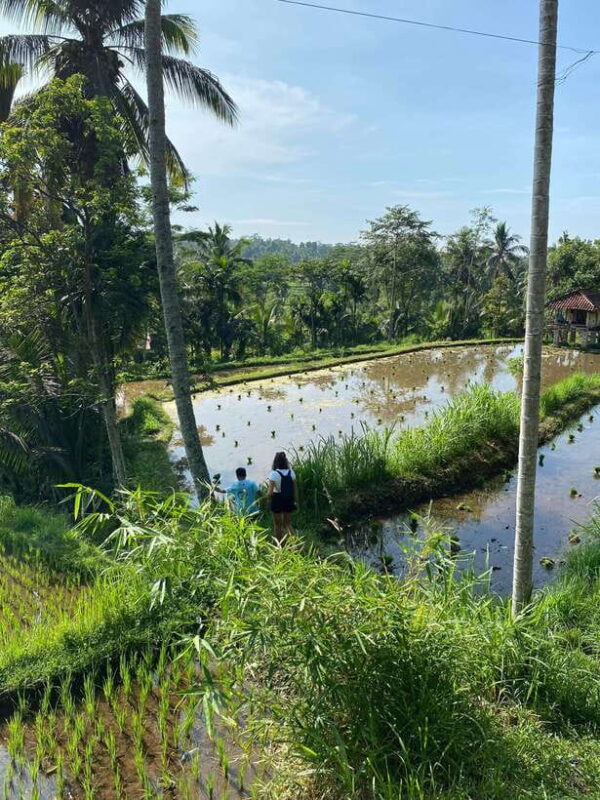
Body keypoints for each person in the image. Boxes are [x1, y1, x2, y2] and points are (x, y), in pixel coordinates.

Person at [267, 451, 298, 541]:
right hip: (289, 499)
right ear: (285, 461)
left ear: (275, 462)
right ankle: (295, 544)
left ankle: (280, 546)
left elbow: (270, 493)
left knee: (277, 525)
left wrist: (268, 501)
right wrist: (296, 501)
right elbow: (295, 489)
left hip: (277, 500)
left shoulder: (273, 474)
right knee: (288, 524)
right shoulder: (291, 472)